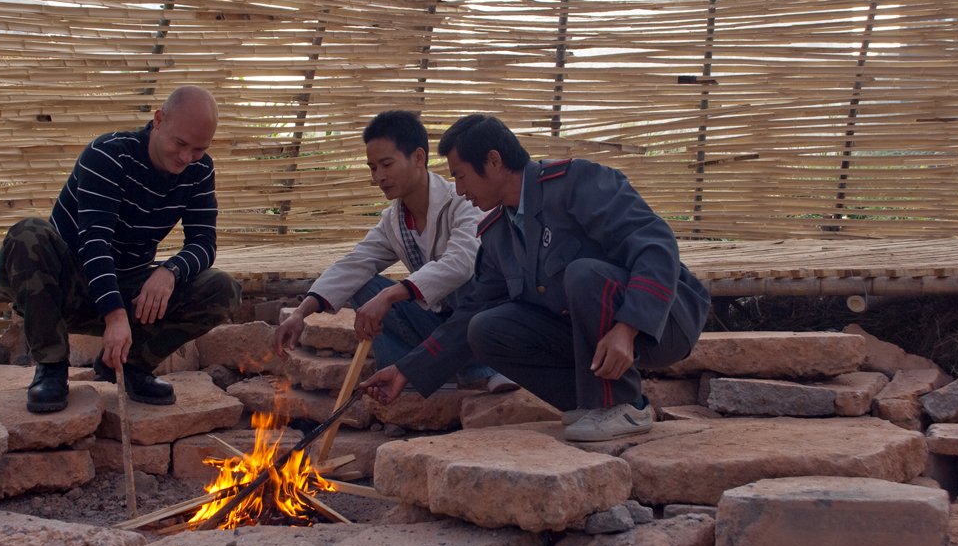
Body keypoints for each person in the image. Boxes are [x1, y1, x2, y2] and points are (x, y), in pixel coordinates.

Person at [361, 114, 711, 441]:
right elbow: (468, 314)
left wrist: (628, 327)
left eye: (461, 175)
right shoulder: (498, 233)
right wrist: (406, 370)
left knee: (583, 273)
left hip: (662, 323)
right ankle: (589, 403)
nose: (459, 189)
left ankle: (622, 406)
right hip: (592, 338)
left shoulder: (578, 182)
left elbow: (656, 245)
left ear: (494, 162)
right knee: (485, 328)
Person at [0, 86, 241, 413]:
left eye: (199, 148)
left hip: (127, 282)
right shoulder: (108, 155)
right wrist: (114, 315)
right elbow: (94, 241)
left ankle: (129, 367)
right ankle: (51, 367)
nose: (186, 158)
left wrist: (170, 271)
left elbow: (204, 243)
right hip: (64, 287)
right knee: (28, 232)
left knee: (222, 288)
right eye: (180, 144)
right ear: (158, 120)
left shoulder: (199, 170)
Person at [273, 110, 513, 391]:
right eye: (373, 168)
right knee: (364, 285)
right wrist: (301, 313)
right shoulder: (394, 220)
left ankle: (486, 369)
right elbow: (355, 264)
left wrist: (392, 293)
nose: (379, 176)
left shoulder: (462, 200)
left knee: (465, 282)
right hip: (440, 327)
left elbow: (461, 263)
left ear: (419, 157)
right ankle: (401, 377)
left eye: (387, 164)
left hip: (480, 327)